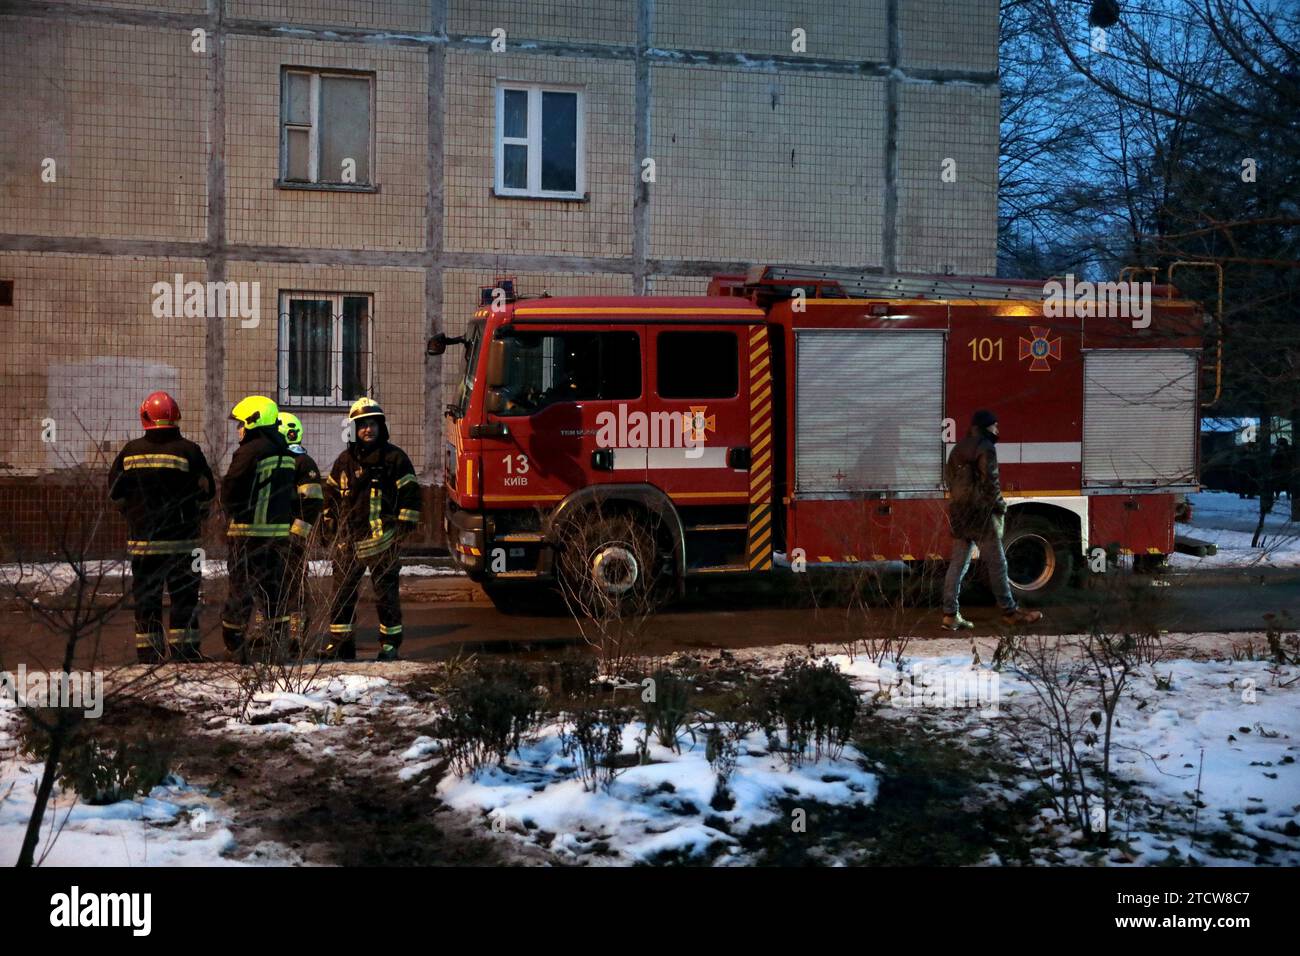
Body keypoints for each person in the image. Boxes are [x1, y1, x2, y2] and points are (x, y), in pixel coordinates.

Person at [109, 391, 215, 663]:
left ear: (145, 417)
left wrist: (132, 515)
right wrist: (196, 518)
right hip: (184, 544)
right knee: (185, 598)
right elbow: (207, 492)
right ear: (175, 417)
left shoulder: (130, 452)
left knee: (147, 599)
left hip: (144, 544)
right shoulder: (190, 451)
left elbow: (114, 492)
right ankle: (185, 652)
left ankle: (149, 654)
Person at [321, 398, 422, 662]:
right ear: (354, 429)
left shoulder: (395, 459)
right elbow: (330, 496)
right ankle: (340, 646)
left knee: (386, 598)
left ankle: (389, 646)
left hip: (382, 543)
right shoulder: (343, 461)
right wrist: (328, 526)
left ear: (381, 427)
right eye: (363, 425)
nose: (369, 430)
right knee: (341, 597)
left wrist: (401, 528)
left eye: (373, 424)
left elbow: (411, 496)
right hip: (348, 545)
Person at [941, 409, 1043, 630]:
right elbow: (991, 482)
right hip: (982, 515)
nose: (998, 430)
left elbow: (949, 480)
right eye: (995, 426)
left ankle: (950, 615)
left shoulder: (957, 449)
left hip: (959, 512)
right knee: (997, 563)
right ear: (986, 427)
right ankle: (1010, 611)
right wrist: (1000, 505)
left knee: (958, 564)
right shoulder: (985, 448)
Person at [220, 395, 298, 662]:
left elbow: (231, 488)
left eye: (241, 423)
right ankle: (279, 649)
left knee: (240, 592)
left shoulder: (249, 451)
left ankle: (236, 648)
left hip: (247, 536)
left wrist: (231, 513)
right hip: (277, 538)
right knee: (273, 593)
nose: (239, 429)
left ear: (254, 420)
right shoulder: (286, 452)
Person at [278, 413, 324, 654]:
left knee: (295, 586)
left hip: (292, 536)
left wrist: (298, 531)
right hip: (275, 535)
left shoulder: (302, 463)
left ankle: (296, 635)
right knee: (273, 585)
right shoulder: (279, 459)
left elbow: (313, 501)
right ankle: (269, 631)